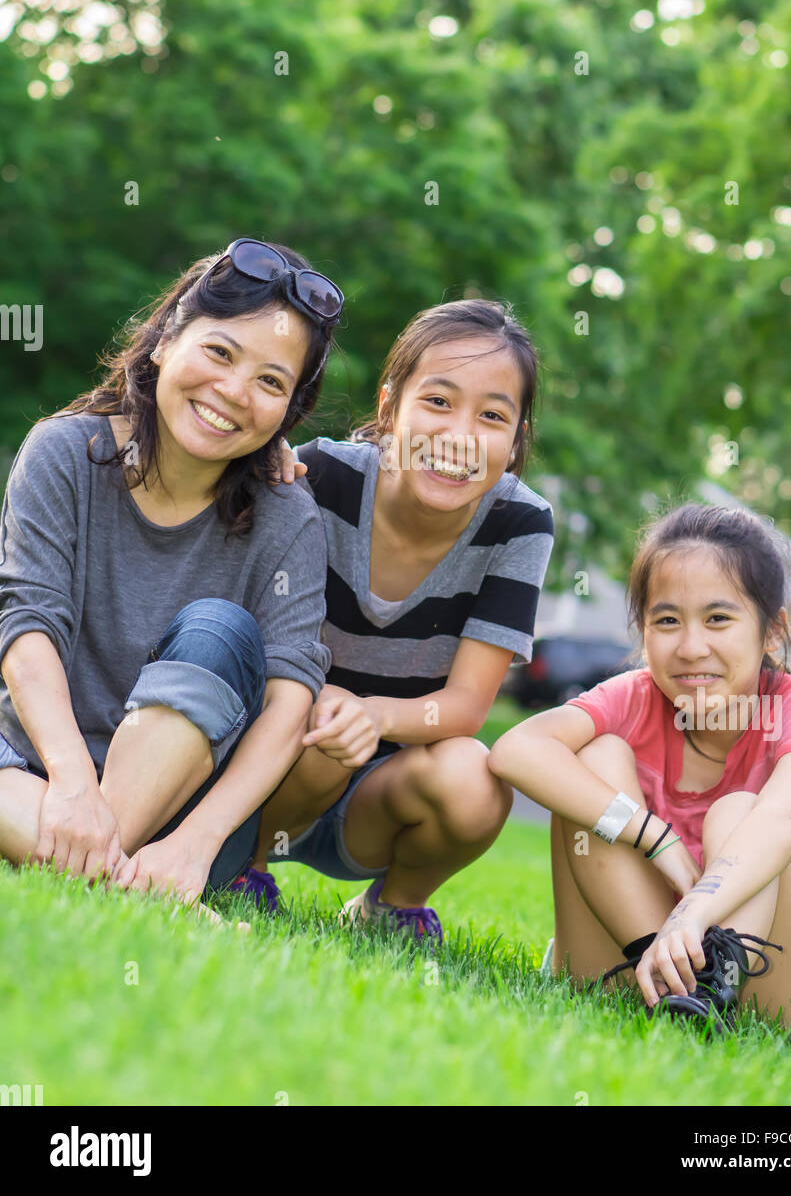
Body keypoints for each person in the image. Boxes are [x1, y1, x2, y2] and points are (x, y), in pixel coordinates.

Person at [0, 237, 341, 908]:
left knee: (219, 629)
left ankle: (91, 860)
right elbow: (26, 623)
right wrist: (71, 784)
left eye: (271, 382)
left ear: (288, 415)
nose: (234, 392)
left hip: (186, 824)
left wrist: (195, 845)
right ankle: (117, 878)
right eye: (219, 352)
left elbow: (290, 699)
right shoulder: (64, 452)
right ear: (164, 343)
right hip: (37, 767)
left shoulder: (289, 514)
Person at [230, 300, 555, 940]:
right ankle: (245, 864)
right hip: (266, 770)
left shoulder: (521, 523)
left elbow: (463, 708)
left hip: (378, 799)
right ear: (389, 408)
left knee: (475, 780)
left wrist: (373, 714)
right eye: (438, 401)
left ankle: (392, 905)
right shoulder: (318, 476)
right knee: (319, 717)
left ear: (515, 441)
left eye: (492, 416)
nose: (460, 433)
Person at [488, 503, 791, 1037]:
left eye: (718, 618)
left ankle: (708, 990)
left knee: (740, 811)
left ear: (772, 632)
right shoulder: (634, 696)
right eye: (667, 620)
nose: (691, 647)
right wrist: (652, 836)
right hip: (625, 957)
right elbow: (516, 750)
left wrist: (696, 909)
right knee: (596, 756)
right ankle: (668, 988)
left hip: (769, 991)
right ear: (644, 631)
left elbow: (785, 820)